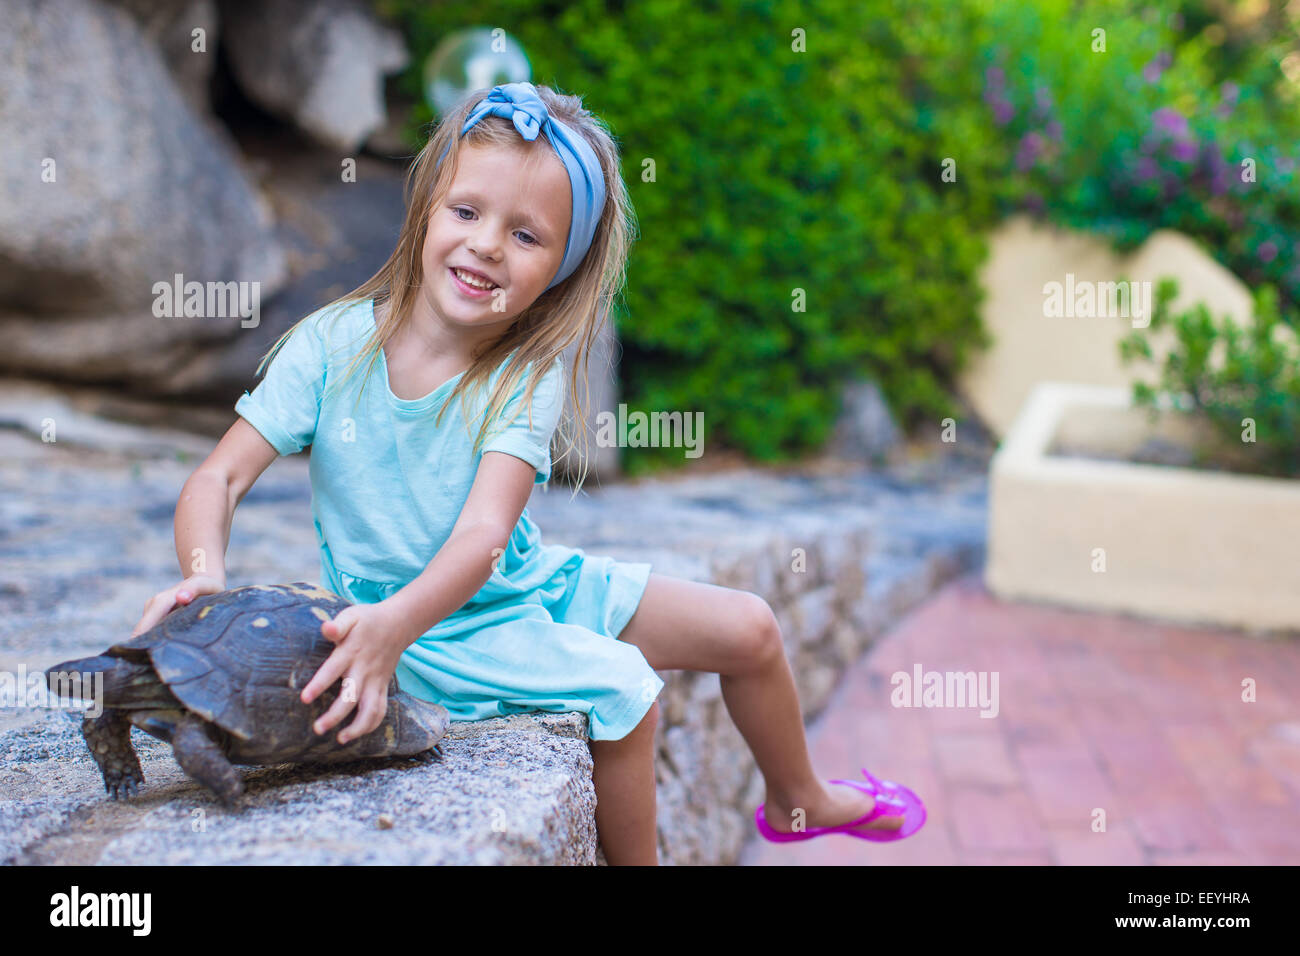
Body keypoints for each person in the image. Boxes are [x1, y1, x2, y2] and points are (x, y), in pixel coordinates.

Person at [131, 82, 925, 865]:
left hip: (517, 583)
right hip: (429, 629)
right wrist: (205, 576)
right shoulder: (331, 346)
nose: (486, 245)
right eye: (466, 212)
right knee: (624, 693)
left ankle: (798, 799)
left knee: (750, 627)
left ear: (560, 269)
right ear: (427, 209)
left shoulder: (523, 375)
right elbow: (218, 479)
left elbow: (486, 536)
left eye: (525, 235)